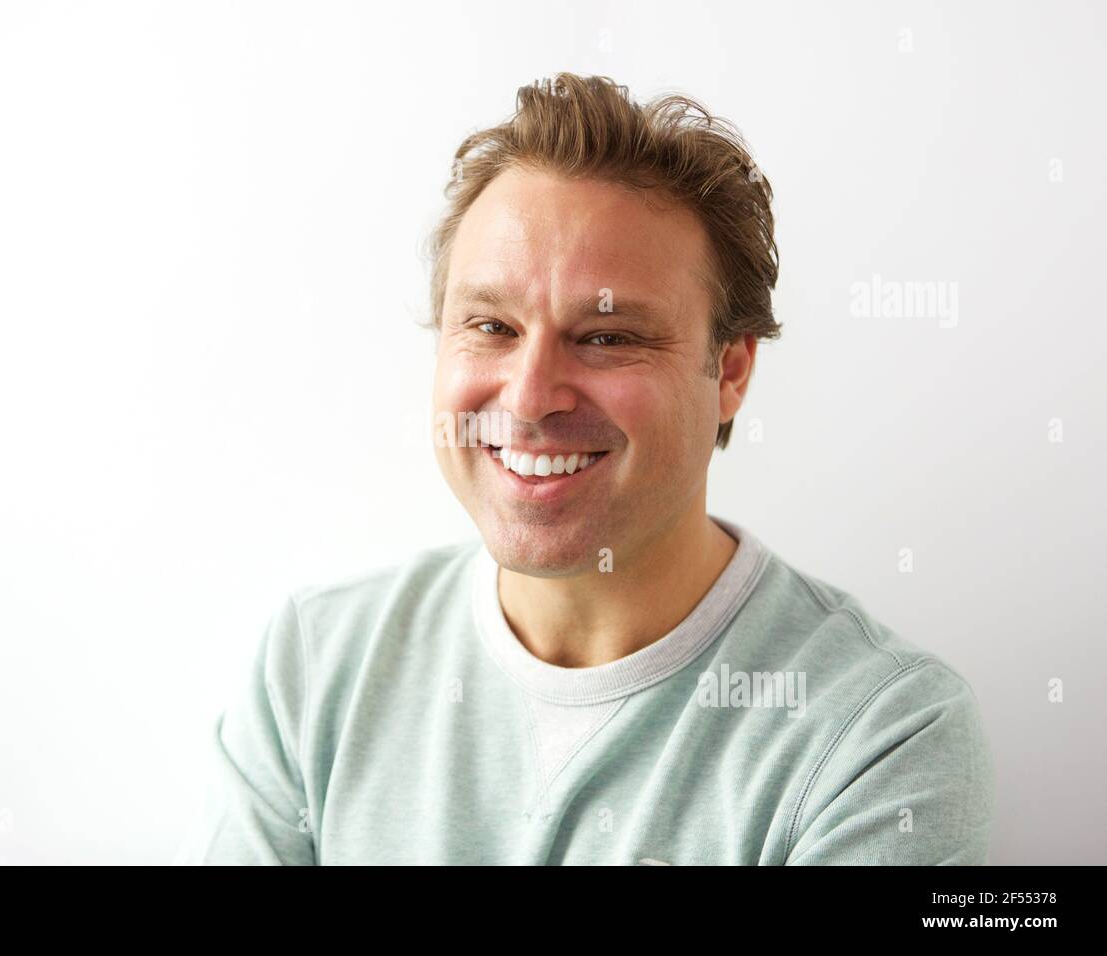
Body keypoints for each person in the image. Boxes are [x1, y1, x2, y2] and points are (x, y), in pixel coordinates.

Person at [174, 73, 994, 865]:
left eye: (606, 337)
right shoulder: (316, 667)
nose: (529, 399)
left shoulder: (880, 734)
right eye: (491, 326)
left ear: (732, 371)